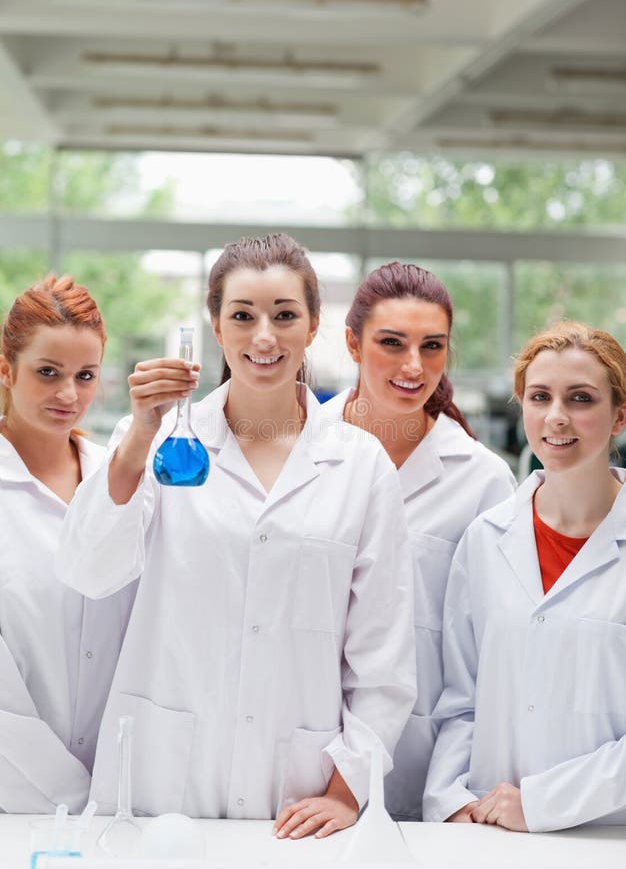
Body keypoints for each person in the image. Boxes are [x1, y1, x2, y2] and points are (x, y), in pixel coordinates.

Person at [56, 234, 416, 836]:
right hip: (160, 782)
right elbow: (89, 570)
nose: (264, 336)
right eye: (242, 316)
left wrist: (346, 790)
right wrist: (140, 437)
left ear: (313, 327)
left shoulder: (360, 464)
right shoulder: (161, 442)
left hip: (295, 796)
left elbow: (383, 655)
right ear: (216, 330)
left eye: (284, 315)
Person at [320, 262, 516, 820]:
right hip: (302, 752)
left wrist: (458, 789)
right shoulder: (302, 447)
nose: (414, 366)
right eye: (392, 343)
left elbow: (490, 653)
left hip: (419, 759)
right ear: (353, 345)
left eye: (433, 346)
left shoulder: (482, 480)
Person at [423, 320, 626, 832]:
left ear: (619, 415)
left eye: (581, 399)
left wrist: (541, 804)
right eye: (540, 397)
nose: (557, 417)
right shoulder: (486, 539)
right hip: (491, 833)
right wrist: (450, 800)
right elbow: (461, 701)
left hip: (606, 837)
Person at [0, 275, 136, 813]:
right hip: (12, 796)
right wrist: (71, 796)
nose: (68, 395)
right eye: (47, 373)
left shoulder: (120, 480)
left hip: (118, 791)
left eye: (86, 376)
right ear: (6, 371)